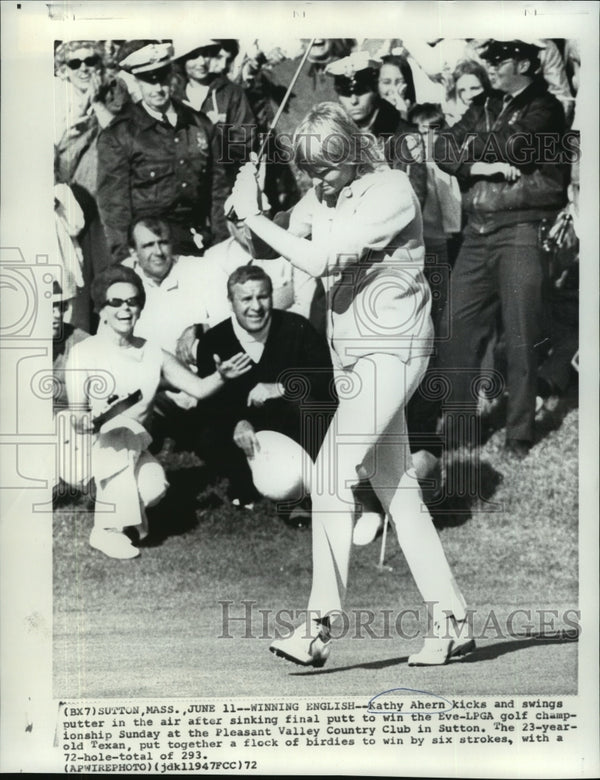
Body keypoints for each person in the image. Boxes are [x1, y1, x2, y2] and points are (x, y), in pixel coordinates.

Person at [226, 102, 473, 667]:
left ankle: (318, 626)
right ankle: (451, 619)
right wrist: (245, 210)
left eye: (327, 170)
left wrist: (260, 220)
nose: (318, 182)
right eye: (310, 171)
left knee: (331, 471)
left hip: (395, 349)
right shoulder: (323, 195)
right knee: (397, 489)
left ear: (353, 151)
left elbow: (318, 258)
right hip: (355, 359)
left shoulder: (391, 190)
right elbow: (273, 249)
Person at [434, 39, 566, 459]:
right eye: (488, 58)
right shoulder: (487, 102)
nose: (489, 65)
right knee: (455, 326)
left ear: (524, 63)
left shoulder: (546, 106)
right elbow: (441, 147)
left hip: (522, 227)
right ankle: (457, 426)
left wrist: (471, 151)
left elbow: (517, 146)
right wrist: (482, 166)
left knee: (522, 333)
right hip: (477, 230)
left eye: (498, 59)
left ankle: (519, 433)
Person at [65, 265, 251, 559]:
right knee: (117, 435)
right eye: (116, 303)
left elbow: (199, 389)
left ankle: (118, 516)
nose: (125, 310)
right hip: (87, 450)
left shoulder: (154, 353)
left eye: (132, 302)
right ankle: (106, 532)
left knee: (153, 487)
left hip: (134, 449)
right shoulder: (84, 353)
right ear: (101, 310)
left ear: (140, 307)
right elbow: (76, 417)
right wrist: (90, 420)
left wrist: (222, 377)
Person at [192, 265, 336, 507]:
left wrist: (281, 387)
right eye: (246, 299)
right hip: (242, 429)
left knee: (308, 408)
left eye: (263, 297)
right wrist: (236, 421)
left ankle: (306, 493)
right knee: (207, 435)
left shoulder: (295, 326)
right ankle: (243, 481)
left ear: (272, 296)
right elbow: (207, 403)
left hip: (288, 423)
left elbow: (327, 377)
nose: (256, 307)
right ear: (231, 302)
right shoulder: (213, 340)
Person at [96, 42, 229, 263]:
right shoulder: (120, 135)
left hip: (196, 244)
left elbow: (219, 191)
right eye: (148, 80)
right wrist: (125, 257)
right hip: (148, 250)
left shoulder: (200, 125)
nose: (157, 89)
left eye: (163, 78)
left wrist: (222, 246)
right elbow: (113, 205)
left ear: (173, 77)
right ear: (136, 82)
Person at [325, 51, 427, 207]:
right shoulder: (335, 134)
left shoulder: (402, 133)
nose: (353, 100)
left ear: (375, 90)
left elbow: (413, 198)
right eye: (346, 93)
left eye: (361, 91)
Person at [170, 38, 256, 194]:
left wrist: (218, 135)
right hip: (187, 187)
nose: (202, 61)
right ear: (182, 61)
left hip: (226, 183)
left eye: (206, 54)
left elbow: (246, 141)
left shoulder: (231, 93)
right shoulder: (174, 98)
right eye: (194, 56)